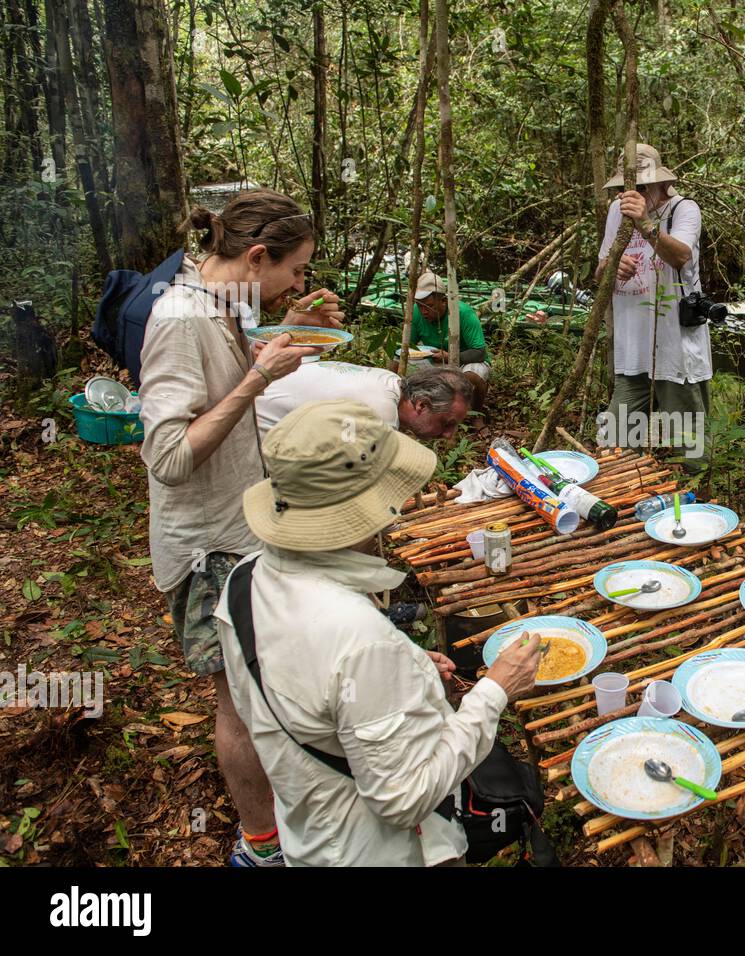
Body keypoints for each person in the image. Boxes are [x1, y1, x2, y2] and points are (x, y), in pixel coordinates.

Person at [214, 400, 541, 866]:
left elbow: (279, 698)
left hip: (308, 829)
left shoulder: (244, 580)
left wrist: (401, 671)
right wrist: (494, 690)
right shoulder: (360, 639)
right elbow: (404, 800)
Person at [138, 187, 343, 866]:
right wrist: (259, 378)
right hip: (208, 550)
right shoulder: (179, 318)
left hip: (242, 528)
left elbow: (239, 365)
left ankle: (285, 817)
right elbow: (168, 456)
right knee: (238, 701)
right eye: (294, 272)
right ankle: (260, 848)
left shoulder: (222, 305)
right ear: (257, 255)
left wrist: (295, 325)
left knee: (264, 686)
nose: (299, 283)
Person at [596, 143, 710, 468]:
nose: (632, 193)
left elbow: (681, 255)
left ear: (660, 182)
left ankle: (698, 503)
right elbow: (600, 270)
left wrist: (645, 221)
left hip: (675, 351)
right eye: (626, 186)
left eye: (641, 186)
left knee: (689, 448)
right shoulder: (616, 212)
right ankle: (624, 493)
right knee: (615, 441)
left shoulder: (684, 209)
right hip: (632, 351)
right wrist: (611, 266)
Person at [256, 362, 473, 443]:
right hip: (257, 433)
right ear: (422, 405)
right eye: (447, 423)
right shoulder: (379, 415)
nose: (448, 435)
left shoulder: (389, 382)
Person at [409, 272, 491, 410]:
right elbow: (406, 347)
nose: (424, 311)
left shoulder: (463, 313)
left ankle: (477, 414)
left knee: (473, 376)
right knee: (400, 362)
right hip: (435, 359)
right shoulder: (416, 313)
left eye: (429, 306)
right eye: (420, 306)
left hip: (465, 361)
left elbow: (480, 352)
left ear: (443, 301)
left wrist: (450, 357)